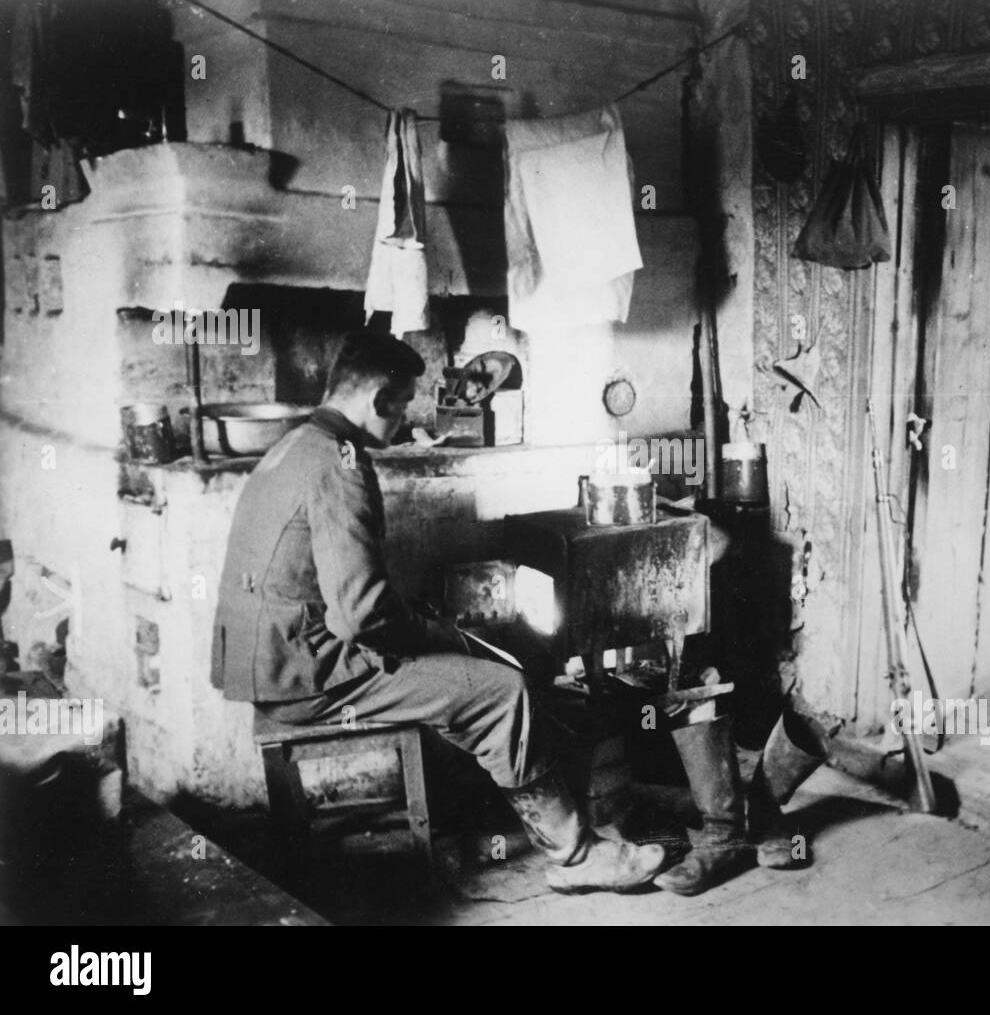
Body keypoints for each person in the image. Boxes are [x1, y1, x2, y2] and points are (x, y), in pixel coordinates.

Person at [210, 332, 664, 893]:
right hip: (309, 674)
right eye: (400, 405)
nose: (402, 420)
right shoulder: (340, 464)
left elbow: (343, 593)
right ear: (377, 399)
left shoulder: (298, 444)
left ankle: (506, 806)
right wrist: (437, 634)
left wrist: (427, 629)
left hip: (269, 659)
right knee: (502, 692)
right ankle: (577, 858)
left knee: (474, 669)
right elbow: (358, 619)